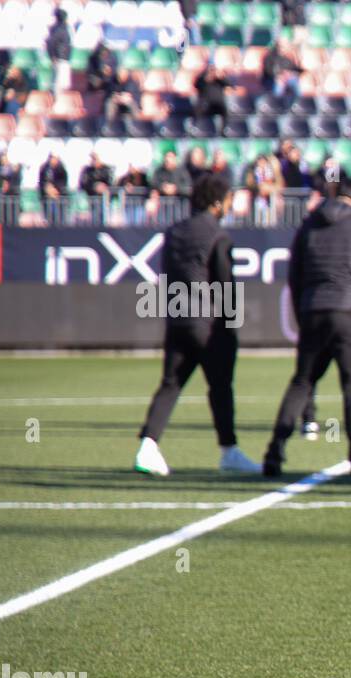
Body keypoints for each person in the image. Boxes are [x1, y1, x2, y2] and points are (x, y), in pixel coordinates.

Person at [134, 174, 261, 477]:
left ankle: (148, 447)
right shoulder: (218, 235)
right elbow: (225, 284)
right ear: (217, 201)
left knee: (171, 384)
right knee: (220, 387)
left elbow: (166, 275)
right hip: (208, 322)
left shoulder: (173, 232)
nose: (230, 204)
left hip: (178, 318)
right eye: (228, 198)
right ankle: (229, 451)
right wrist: (230, 326)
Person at [263, 176, 351, 477]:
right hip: (350, 310)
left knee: (302, 382)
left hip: (313, 309)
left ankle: (274, 452)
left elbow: (294, 274)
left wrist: (302, 309)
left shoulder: (309, 223)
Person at [46, 8, 72, 93]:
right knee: (59, 84)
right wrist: (53, 56)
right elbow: (51, 44)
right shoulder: (58, 29)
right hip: (60, 58)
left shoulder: (63, 28)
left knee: (63, 84)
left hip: (64, 58)